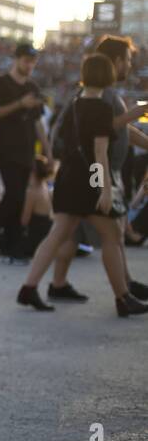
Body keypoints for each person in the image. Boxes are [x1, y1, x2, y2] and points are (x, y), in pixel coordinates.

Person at [18, 53, 148, 316]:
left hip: (68, 176)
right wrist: (104, 189)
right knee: (112, 234)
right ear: (108, 75)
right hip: (89, 179)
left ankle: (29, 287)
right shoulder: (101, 107)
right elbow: (100, 153)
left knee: (57, 234)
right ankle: (123, 298)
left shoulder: (75, 103)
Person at [0, 41, 48, 257]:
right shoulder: (2, 84)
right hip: (6, 149)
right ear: (17, 59)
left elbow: (38, 122)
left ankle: (10, 241)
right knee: (15, 194)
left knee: (20, 199)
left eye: (33, 63)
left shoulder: (33, 88)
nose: (29, 66)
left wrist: (48, 150)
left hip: (27, 150)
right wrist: (20, 104)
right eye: (27, 61)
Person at [15, 154, 57, 261]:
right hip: (47, 228)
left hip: (37, 233)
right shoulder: (45, 186)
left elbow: (25, 220)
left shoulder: (32, 191)